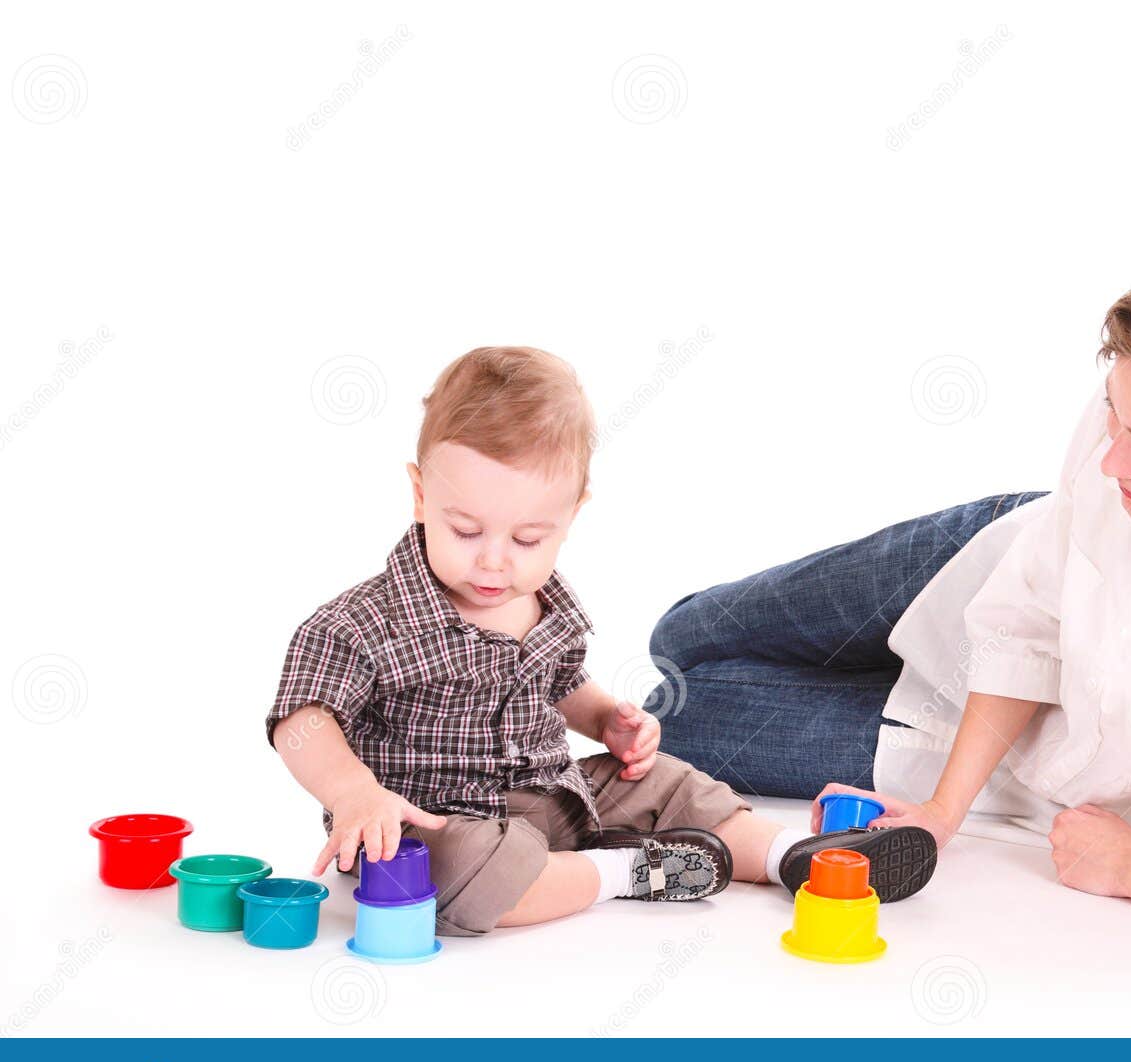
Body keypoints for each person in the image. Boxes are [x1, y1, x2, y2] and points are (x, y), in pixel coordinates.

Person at [647, 246, 1131, 981]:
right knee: (680, 637)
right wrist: (943, 812)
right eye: (1114, 416)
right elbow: (1026, 619)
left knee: (673, 712)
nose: (1112, 466)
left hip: (990, 756)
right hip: (978, 565)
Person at [265, 346, 935, 939]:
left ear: (572, 514)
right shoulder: (361, 622)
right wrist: (353, 792)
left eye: (528, 538)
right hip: (433, 825)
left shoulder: (545, 603)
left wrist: (604, 719)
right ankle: (629, 872)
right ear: (419, 495)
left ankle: (796, 855)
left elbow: (560, 686)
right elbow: (304, 717)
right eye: (465, 529)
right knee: (458, 875)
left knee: (671, 782)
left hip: (556, 795)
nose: (495, 561)